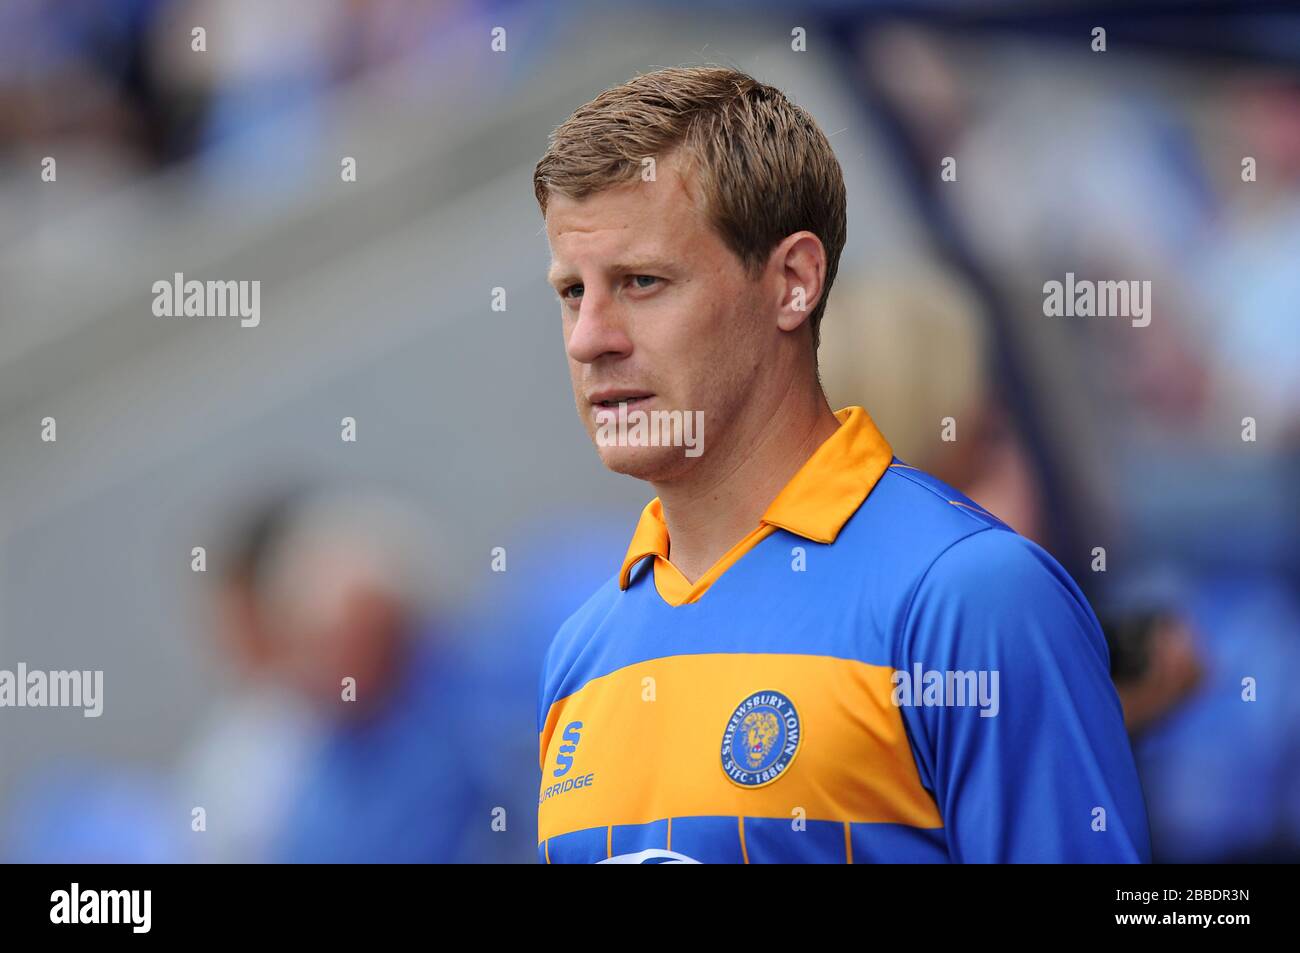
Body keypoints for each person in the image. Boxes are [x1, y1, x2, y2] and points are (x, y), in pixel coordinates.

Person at [530, 66, 1150, 863]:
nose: (590, 339)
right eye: (572, 292)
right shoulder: (579, 657)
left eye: (641, 282)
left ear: (793, 281)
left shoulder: (970, 596)